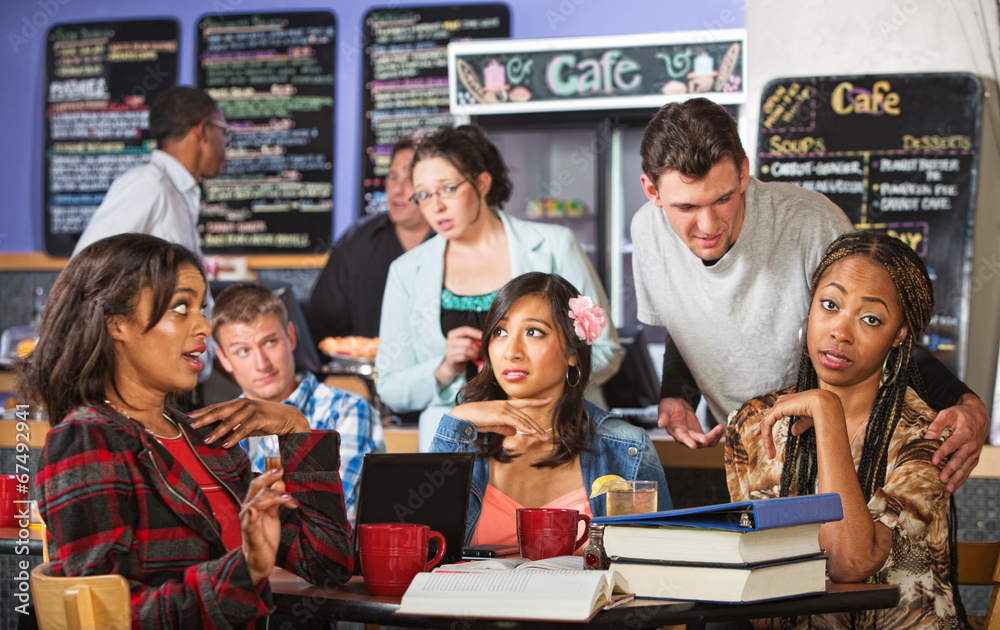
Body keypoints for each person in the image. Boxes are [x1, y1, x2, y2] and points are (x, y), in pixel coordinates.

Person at [631, 97, 988, 495]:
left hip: (851, 446)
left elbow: (877, 331)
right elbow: (686, 321)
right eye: (686, 207)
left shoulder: (812, 223)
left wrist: (965, 400)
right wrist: (676, 395)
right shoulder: (647, 234)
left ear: (744, 172)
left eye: (723, 198)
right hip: (749, 447)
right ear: (652, 191)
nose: (709, 224)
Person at [20, 234, 352, 629]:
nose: (204, 327)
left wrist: (295, 429)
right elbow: (108, 618)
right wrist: (243, 569)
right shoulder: (87, 440)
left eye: (202, 309)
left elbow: (328, 564)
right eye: (181, 308)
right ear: (117, 324)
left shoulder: (205, 439)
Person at [725, 231, 966, 628]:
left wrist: (827, 412)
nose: (841, 331)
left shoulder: (927, 437)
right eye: (830, 304)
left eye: (871, 318)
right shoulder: (753, 425)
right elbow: (753, 582)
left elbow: (849, 561)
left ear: (899, 335)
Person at [376, 124, 624, 452]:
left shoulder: (553, 246)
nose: (435, 207)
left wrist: (537, 389)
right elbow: (390, 386)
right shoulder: (407, 271)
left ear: (481, 182)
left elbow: (605, 350)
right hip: (457, 450)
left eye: (447, 188)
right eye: (423, 195)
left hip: (552, 439)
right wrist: (443, 369)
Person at [431, 273, 669, 546]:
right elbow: (427, 552)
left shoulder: (628, 447)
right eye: (500, 332)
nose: (512, 351)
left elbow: (653, 566)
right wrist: (458, 420)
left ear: (571, 352)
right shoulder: (463, 438)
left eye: (533, 332)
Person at [211, 283, 386, 522]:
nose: (262, 363)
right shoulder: (219, 426)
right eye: (243, 351)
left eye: (270, 342)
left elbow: (331, 515)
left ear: (291, 336)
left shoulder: (347, 409)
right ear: (224, 359)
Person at [72, 86, 231, 257]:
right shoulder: (148, 185)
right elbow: (85, 268)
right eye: (225, 132)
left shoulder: (178, 190)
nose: (226, 143)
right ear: (204, 130)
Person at [304, 136, 433, 341]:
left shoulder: (453, 242)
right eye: (393, 178)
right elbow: (322, 322)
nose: (397, 191)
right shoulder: (359, 239)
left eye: (409, 180)